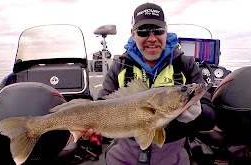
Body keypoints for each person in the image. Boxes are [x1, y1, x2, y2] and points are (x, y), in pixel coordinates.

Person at [84, 2, 215, 165]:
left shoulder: (186, 65)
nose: (152, 39)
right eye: (143, 32)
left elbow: (210, 118)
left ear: (166, 32)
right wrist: (95, 133)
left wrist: (198, 114)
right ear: (133, 34)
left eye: (158, 31)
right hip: (124, 154)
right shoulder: (118, 67)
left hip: (173, 155)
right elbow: (101, 108)